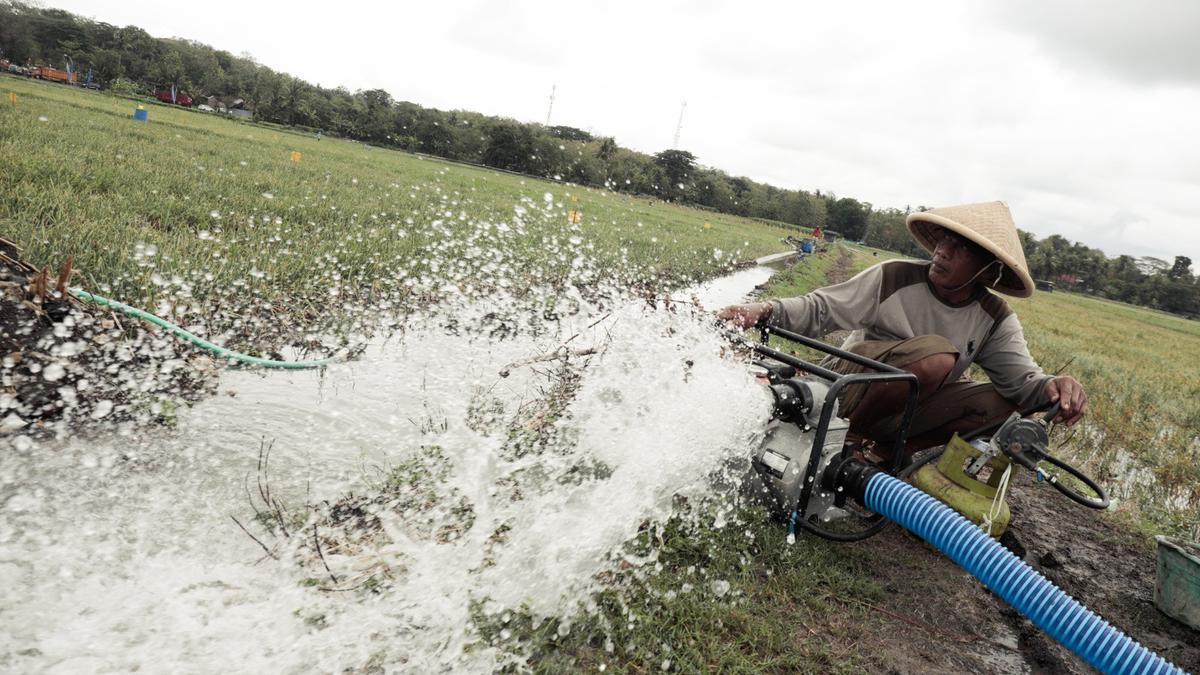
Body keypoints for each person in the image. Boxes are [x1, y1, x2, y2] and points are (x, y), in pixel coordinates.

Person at [718, 201, 1087, 455]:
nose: (942, 251)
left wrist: (1055, 388)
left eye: (959, 248)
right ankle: (848, 440)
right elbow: (820, 309)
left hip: (911, 410)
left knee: (1005, 406)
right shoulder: (894, 276)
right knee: (937, 357)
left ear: (988, 271)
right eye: (943, 241)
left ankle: (890, 455)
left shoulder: (994, 317)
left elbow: (1023, 383)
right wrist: (763, 310)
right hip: (852, 389)